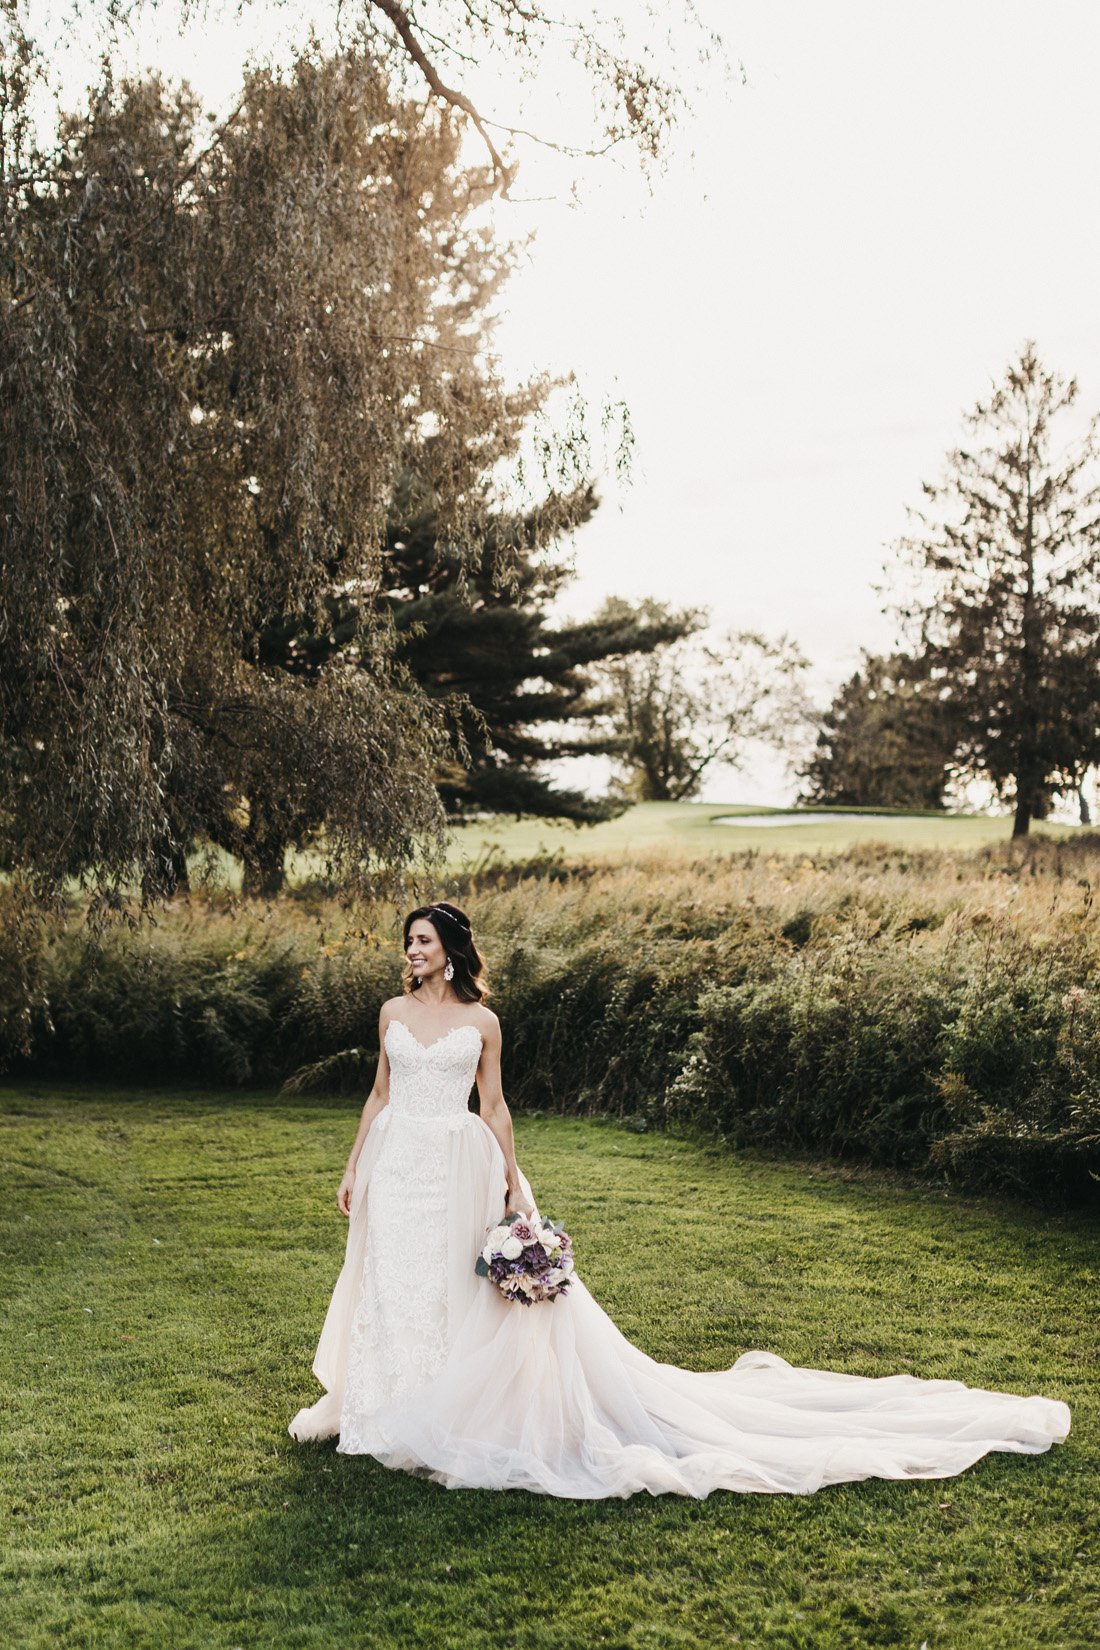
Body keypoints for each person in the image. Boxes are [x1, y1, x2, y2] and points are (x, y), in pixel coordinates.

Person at [288, 901, 1071, 1497]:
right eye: (410, 942)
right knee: (397, 1283)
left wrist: (508, 1180)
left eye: (424, 940)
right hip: (397, 1162)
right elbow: (378, 1095)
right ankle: (387, 1403)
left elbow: (494, 1107)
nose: (412, 951)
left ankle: (447, 1413)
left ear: (452, 952)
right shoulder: (391, 1014)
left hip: (460, 1160)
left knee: (453, 1284)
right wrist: (355, 1166)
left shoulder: (483, 1021)